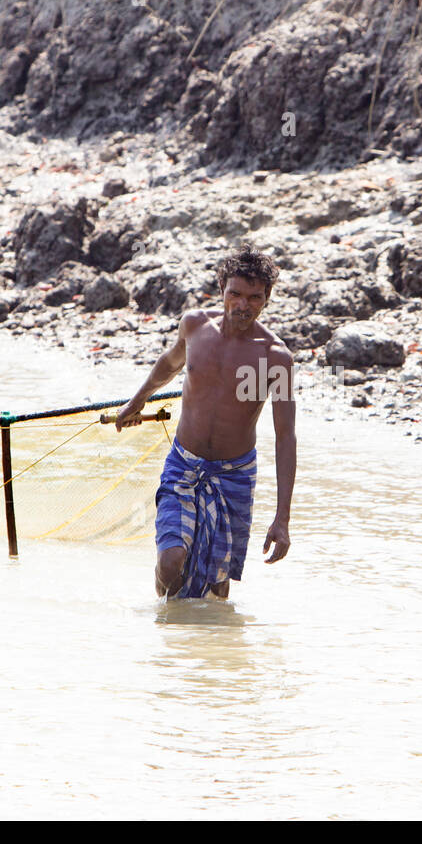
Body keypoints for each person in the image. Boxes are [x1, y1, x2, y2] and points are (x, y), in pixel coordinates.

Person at [116, 246, 296, 599]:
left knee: (217, 587)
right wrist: (136, 402)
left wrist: (282, 519)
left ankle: (202, 645)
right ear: (222, 290)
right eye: (235, 294)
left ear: (266, 300)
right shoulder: (195, 326)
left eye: (254, 298)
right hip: (184, 464)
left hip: (234, 476)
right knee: (171, 564)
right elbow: (169, 365)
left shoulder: (275, 357)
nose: (243, 305)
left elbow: (285, 436)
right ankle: (165, 611)